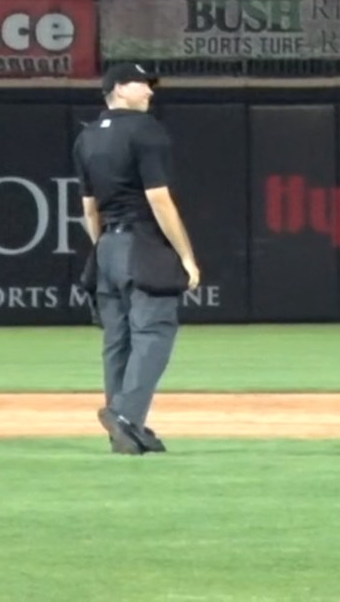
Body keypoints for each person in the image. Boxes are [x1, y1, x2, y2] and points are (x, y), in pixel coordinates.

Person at [73, 62, 201, 455]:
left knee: (118, 341)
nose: (149, 92)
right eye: (142, 85)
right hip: (142, 243)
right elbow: (158, 199)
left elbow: (88, 209)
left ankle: (124, 427)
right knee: (154, 332)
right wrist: (186, 257)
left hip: (108, 244)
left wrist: (102, 249)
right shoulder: (146, 130)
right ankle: (126, 416)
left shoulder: (88, 138)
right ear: (118, 88)